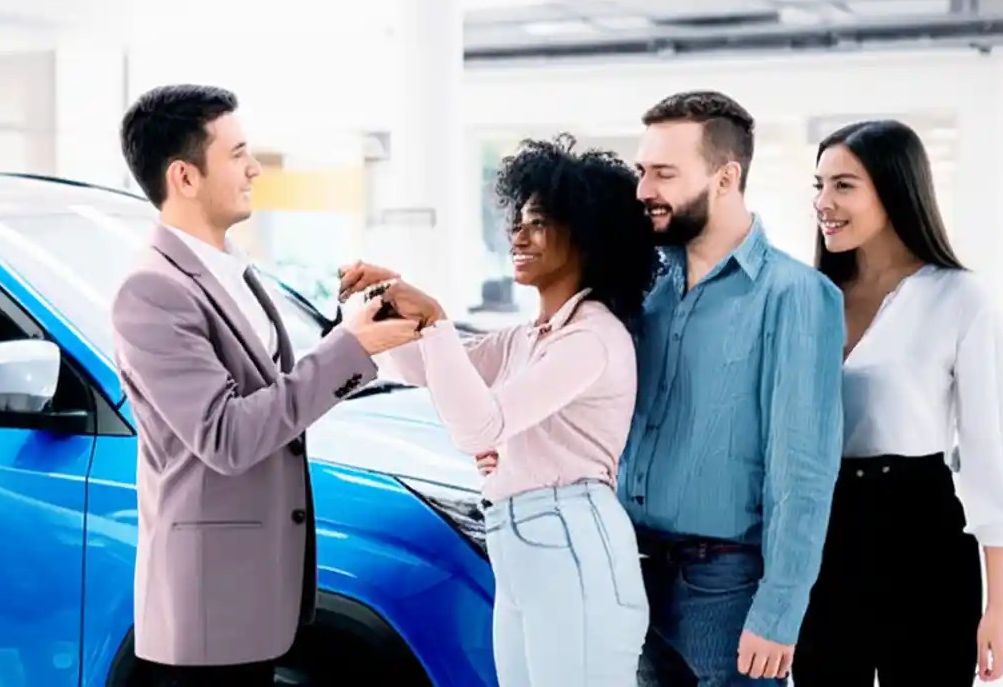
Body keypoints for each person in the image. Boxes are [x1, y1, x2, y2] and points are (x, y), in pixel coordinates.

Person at [110, 84, 421, 687]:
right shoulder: (152, 290)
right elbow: (227, 436)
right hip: (208, 607)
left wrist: (350, 327)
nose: (255, 168)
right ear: (184, 176)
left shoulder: (231, 269)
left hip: (254, 594)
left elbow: (272, 388)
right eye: (237, 154)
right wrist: (350, 347)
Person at [337, 134, 662, 686]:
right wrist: (388, 301)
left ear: (587, 236)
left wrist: (434, 318)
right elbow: (423, 370)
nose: (518, 235)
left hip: (571, 545)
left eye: (539, 223)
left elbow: (479, 427)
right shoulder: (529, 338)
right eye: (518, 221)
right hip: (527, 550)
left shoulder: (591, 338)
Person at [617, 91, 845, 686]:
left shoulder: (795, 295)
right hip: (631, 578)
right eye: (642, 171)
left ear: (726, 178)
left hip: (727, 592)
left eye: (664, 173)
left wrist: (780, 611)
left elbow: (802, 469)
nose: (644, 189)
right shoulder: (643, 289)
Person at [792, 119, 1003, 686]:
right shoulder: (809, 297)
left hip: (921, 533)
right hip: (822, 534)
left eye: (843, 185)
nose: (823, 202)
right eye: (819, 185)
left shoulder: (959, 296)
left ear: (895, 190)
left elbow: (988, 457)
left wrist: (1000, 605)